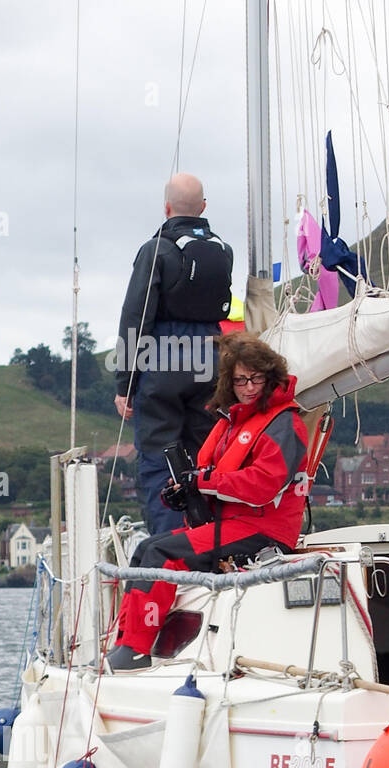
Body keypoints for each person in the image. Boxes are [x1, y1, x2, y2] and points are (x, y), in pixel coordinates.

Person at [105, 334, 309, 672]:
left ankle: (136, 651)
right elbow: (210, 476)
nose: (249, 387)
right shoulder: (232, 422)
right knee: (145, 549)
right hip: (232, 525)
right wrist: (182, 490)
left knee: (161, 554)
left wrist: (201, 481)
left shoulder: (284, 424)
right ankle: (126, 641)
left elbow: (261, 486)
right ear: (230, 382)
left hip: (263, 531)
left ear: (271, 378)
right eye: (241, 380)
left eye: (256, 378)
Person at [115, 173, 234, 536]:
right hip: (212, 359)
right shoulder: (223, 250)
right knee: (207, 455)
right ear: (203, 208)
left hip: (164, 358)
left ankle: (171, 547)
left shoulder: (156, 250)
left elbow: (136, 316)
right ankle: (211, 540)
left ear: (166, 208)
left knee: (160, 457)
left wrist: (125, 383)